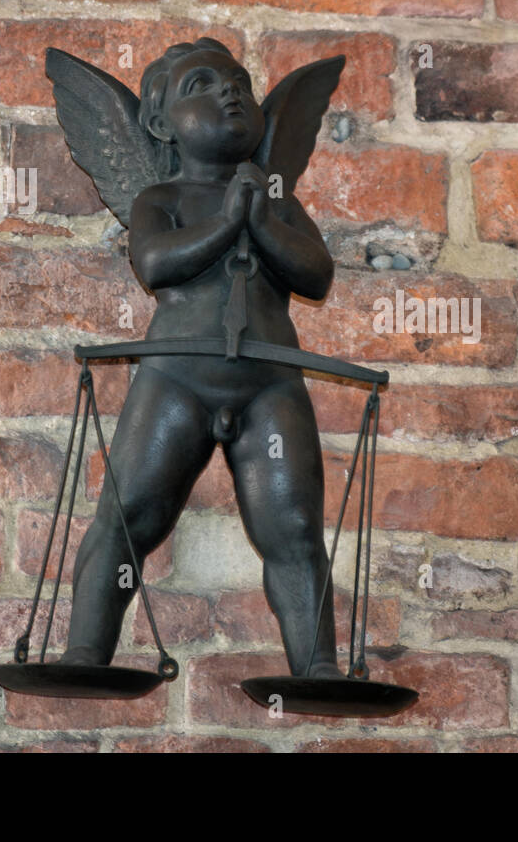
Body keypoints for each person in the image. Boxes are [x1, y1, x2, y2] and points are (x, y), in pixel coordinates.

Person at [59, 38, 341, 678]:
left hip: (269, 383)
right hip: (177, 378)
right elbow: (157, 263)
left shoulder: (277, 202)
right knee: (129, 514)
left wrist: (263, 224)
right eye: (202, 86)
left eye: (238, 82)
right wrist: (228, 226)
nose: (229, 92)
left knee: (294, 527)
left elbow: (316, 275)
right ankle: (84, 652)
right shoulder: (160, 200)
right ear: (160, 126)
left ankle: (317, 668)